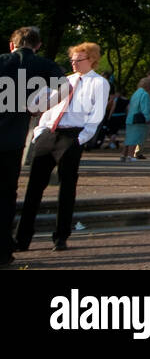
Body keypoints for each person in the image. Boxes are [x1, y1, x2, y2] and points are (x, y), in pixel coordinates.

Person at [15, 42, 110, 254]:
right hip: (50, 133)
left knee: (67, 188)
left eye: (79, 60)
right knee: (34, 187)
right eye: (72, 60)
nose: (74, 63)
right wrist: (41, 132)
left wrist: (81, 139)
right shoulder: (65, 80)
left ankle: (61, 236)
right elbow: (50, 106)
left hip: (72, 135)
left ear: (92, 59)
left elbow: (97, 114)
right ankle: (22, 238)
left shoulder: (99, 83)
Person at [0, 27, 65, 266]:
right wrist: (42, 107)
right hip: (13, 138)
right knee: (7, 194)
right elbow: (66, 88)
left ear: (11, 44)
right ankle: (3, 249)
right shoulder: (43, 65)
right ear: (37, 46)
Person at [121, 77, 150, 162]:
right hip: (138, 119)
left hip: (130, 118)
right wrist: (148, 118)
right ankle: (130, 156)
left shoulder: (135, 93)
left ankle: (123, 155)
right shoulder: (145, 94)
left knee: (128, 138)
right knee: (135, 138)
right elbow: (145, 108)